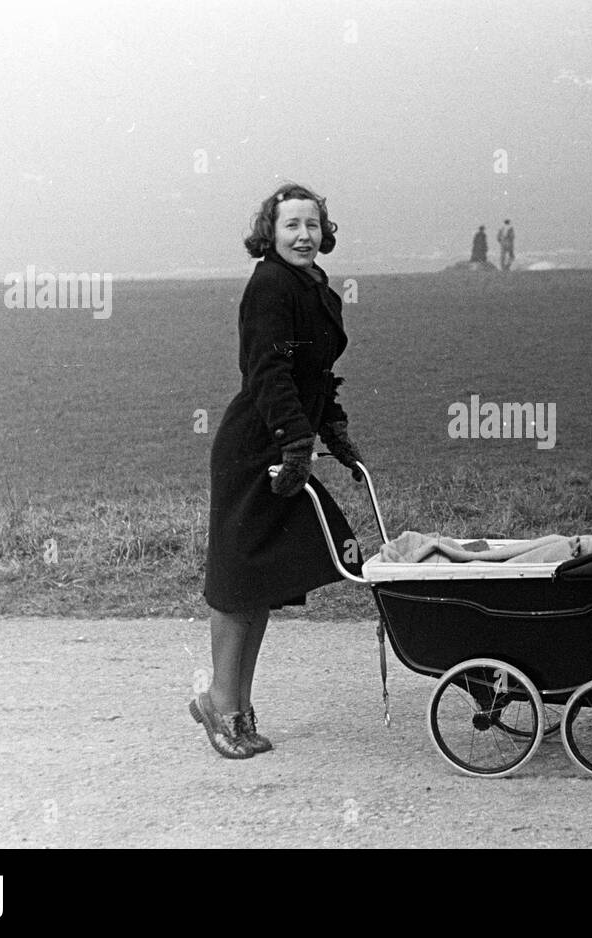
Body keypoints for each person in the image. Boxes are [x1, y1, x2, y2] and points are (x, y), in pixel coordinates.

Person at [193, 181, 366, 759]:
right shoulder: (270, 284)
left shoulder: (312, 285)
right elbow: (265, 371)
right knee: (239, 582)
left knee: (259, 585)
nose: (304, 236)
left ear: (325, 230)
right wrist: (297, 441)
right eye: (291, 225)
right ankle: (222, 704)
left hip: (282, 442)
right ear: (271, 231)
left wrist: (332, 426)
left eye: (312, 225)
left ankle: (231, 704)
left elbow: (313, 372)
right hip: (256, 448)